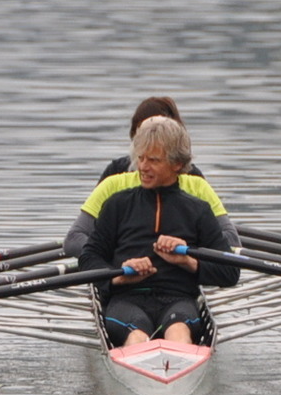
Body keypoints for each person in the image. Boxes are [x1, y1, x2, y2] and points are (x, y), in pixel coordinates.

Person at [79, 116, 239, 346]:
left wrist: (188, 261)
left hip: (178, 301)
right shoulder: (117, 205)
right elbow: (88, 258)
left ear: (177, 164)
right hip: (126, 301)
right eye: (140, 158)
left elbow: (230, 272)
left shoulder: (198, 210)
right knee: (137, 336)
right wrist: (118, 275)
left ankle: (175, 359)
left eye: (153, 160)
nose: (143, 167)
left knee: (179, 332)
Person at [64, 96, 239, 257]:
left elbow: (230, 241)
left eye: (154, 159)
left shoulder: (197, 185)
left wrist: (183, 250)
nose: (144, 166)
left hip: (180, 271)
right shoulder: (112, 185)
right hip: (125, 272)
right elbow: (73, 240)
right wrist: (125, 252)